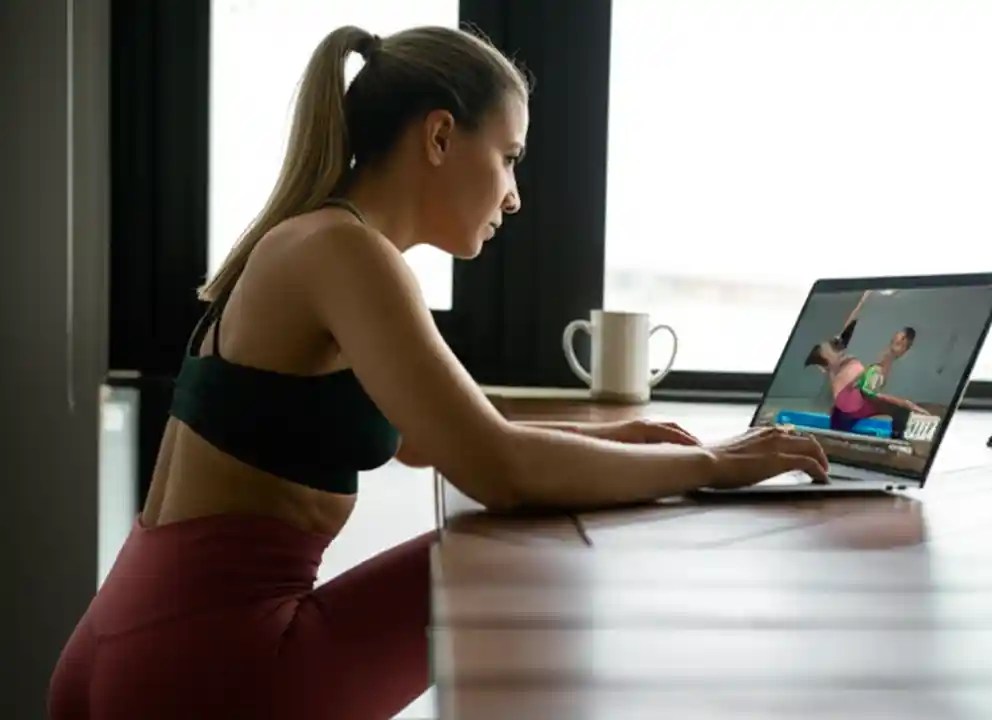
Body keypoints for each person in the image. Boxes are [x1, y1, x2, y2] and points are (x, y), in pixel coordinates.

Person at [47, 24, 828, 720]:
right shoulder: (347, 252)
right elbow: (497, 469)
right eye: (510, 156)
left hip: (124, 644)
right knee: (523, 546)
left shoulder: (309, 239)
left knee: (524, 527)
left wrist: (621, 439)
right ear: (441, 136)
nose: (516, 196)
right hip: (211, 665)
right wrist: (711, 465)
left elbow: (435, 439)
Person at [804, 292, 927, 438]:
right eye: (901, 340)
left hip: (852, 405)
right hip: (847, 410)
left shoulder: (875, 364)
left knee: (898, 409)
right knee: (898, 407)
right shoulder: (850, 361)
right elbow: (866, 391)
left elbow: (867, 389)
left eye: (904, 343)